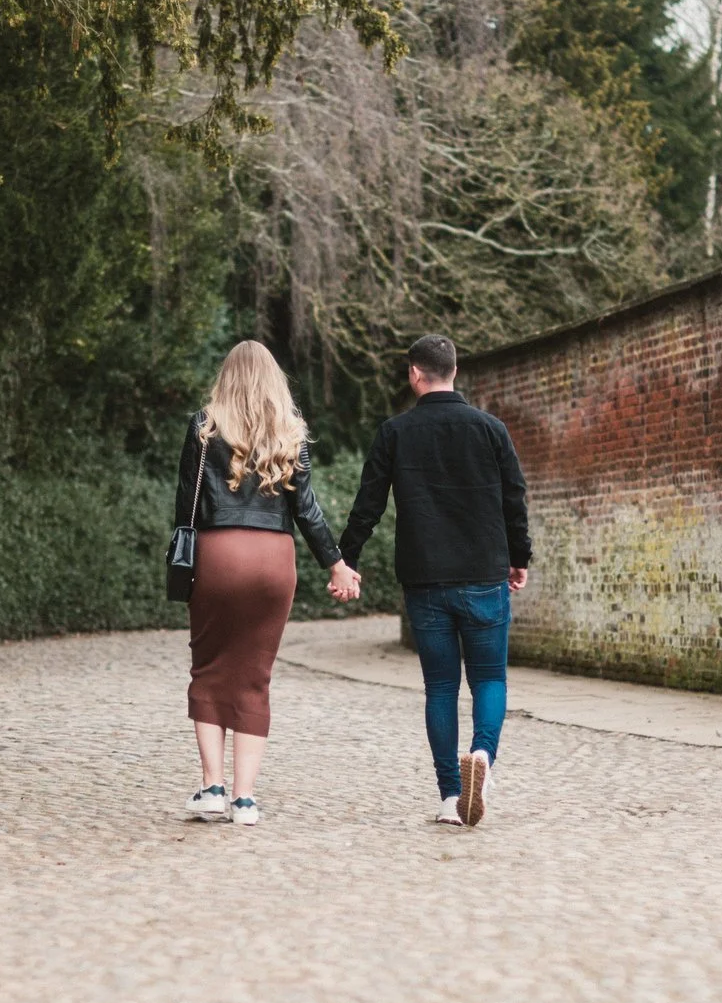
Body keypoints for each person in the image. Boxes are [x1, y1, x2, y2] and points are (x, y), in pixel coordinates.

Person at [336, 334, 530, 826]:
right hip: (485, 573)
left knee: (440, 687)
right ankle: (482, 756)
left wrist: (345, 558)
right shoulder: (491, 430)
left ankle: (449, 797)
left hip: (425, 580)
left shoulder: (396, 432)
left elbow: (369, 503)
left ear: (414, 374)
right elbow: (514, 498)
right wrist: (519, 556)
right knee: (488, 677)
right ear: (454, 371)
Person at [175, 341, 362, 824]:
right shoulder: (289, 432)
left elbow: (185, 505)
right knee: (255, 676)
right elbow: (307, 510)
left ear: (227, 377)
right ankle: (245, 800)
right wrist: (335, 563)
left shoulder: (204, 425)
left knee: (209, 667)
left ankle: (212, 787)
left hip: (218, 554)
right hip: (273, 558)